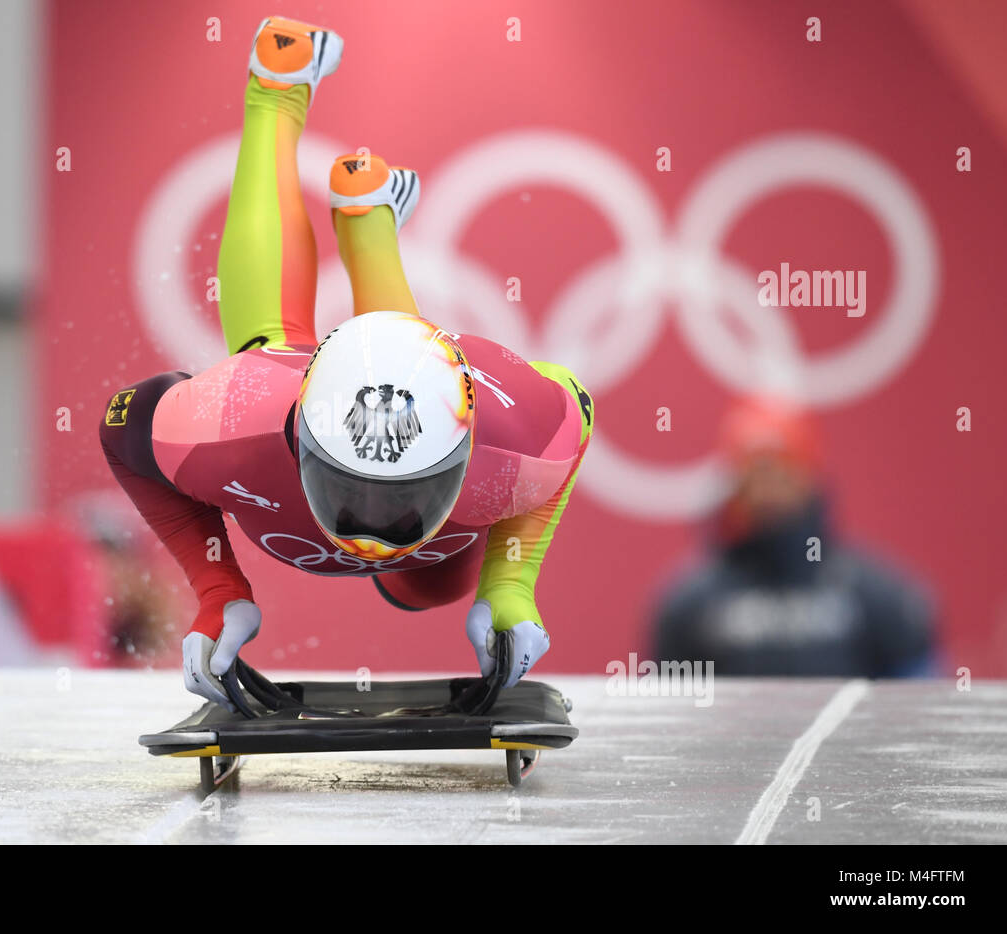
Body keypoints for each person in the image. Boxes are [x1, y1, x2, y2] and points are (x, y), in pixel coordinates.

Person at [99, 16, 593, 708]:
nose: (369, 529)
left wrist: (511, 588)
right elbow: (122, 430)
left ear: (458, 459)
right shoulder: (232, 422)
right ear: (299, 436)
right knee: (264, 352)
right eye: (353, 487)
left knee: (427, 584)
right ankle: (289, 110)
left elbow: (121, 432)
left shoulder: (508, 443)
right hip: (287, 396)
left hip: (424, 445)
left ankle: (348, 191)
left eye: (401, 501)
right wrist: (218, 592)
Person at [651, 396, 938, 677]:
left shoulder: (874, 595)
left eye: (782, 471)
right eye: (755, 473)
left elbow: (917, 703)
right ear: (734, 483)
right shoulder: (690, 604)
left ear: (809, 477)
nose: (768, 490)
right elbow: (671, 712)